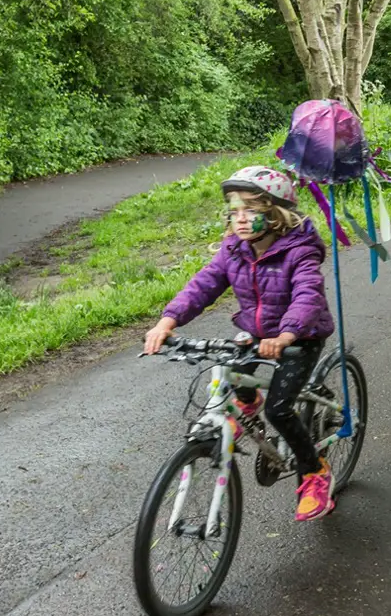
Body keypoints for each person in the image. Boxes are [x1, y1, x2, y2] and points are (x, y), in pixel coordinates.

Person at [143, 166, 338, 522]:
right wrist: (166, 322)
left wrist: (286, 335)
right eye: (234, 211)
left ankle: (314, 473)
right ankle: (248, 405)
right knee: (231, 374)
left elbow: (308, 296)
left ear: (276, 214)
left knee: (280, 410)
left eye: (250, 210)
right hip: (255, 333)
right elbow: (204, 284)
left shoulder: (300, 251)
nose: (240, 219)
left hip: (299, 337)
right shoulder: (233, 249)